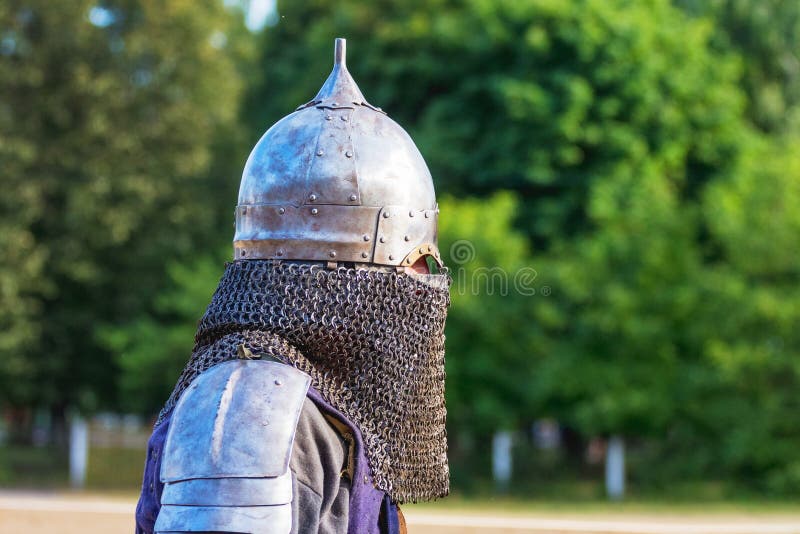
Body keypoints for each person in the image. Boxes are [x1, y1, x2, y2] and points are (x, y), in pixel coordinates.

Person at [134, 38, 451, 534]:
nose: (427, 286)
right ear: (356, 271)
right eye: (417, 262)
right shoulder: (251, 406)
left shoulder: (329, 409)